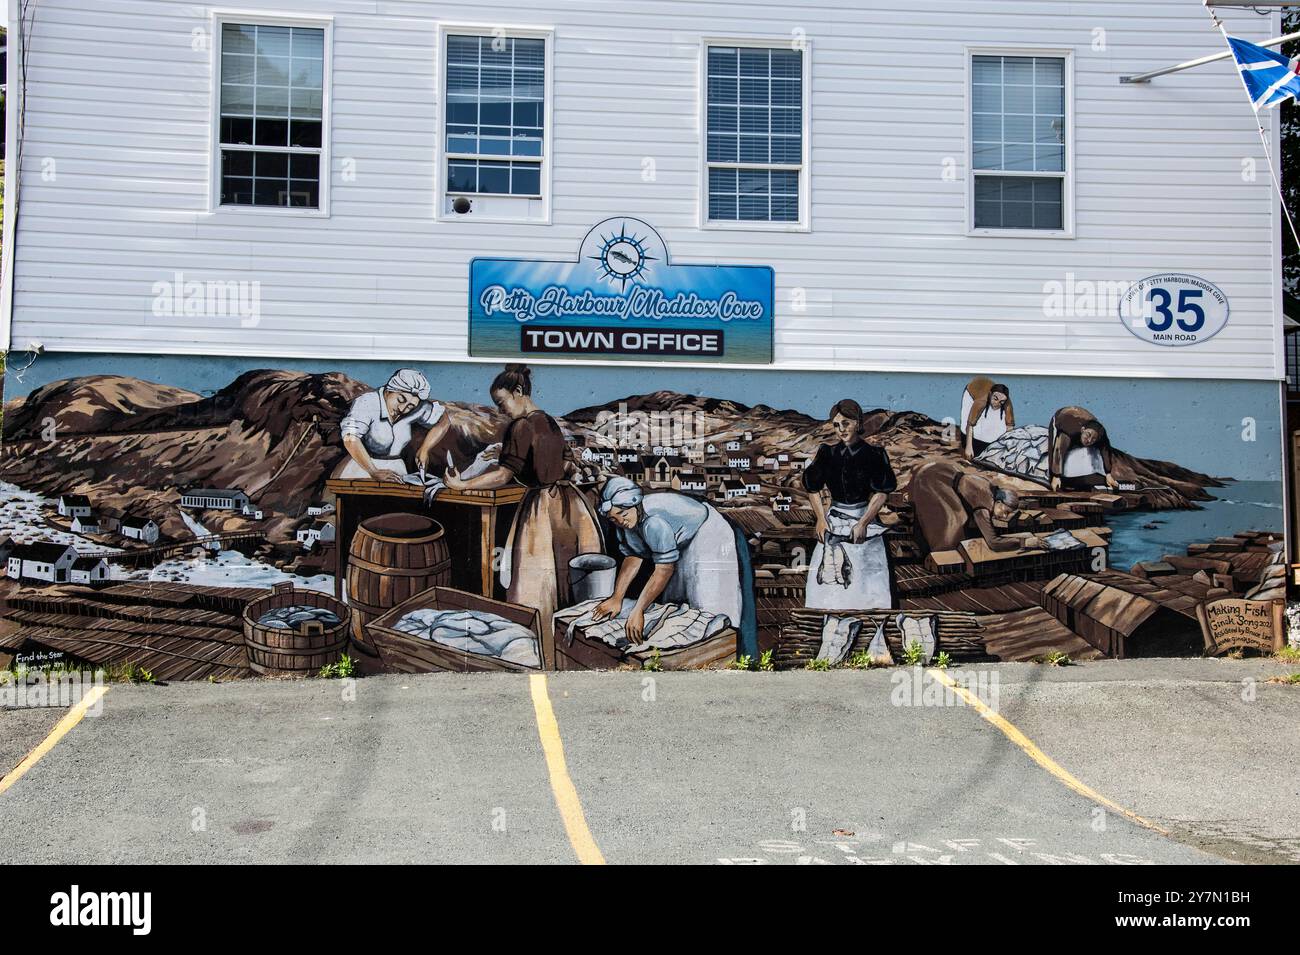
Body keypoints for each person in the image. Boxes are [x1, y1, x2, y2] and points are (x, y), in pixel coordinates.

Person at [443, 365, 602, 646]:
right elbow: (566, 462)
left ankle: (534, 642)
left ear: (518, 392)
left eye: (502, 403)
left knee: (536, 581)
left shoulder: (521, 426)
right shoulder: (549, 421)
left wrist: (461, 485)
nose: (501, 410)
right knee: (564, 577)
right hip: (569, 506)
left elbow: (503, 474)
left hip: (540, 508)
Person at [592, 477, 757, 658]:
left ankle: (721, 656)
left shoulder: (653, 522)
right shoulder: (628, 522)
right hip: (681, 539)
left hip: (708, 535)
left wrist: (638, 610)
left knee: (709, 609)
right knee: (677, 606)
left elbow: (664, 569)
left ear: (634, 504)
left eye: (623, 514)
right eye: (614, 519)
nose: (620, 521)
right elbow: (633, 557)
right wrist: (617, 598)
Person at [802, 398, 897, 610]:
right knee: (829, 582)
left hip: (864, 520)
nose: (841, 429)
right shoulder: (828, 453)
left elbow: (882, 492)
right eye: (836, 425)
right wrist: (820, 518)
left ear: (858, 422)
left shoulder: (874, 454)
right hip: (833, 522)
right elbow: (812, 488)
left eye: (846, 423)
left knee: (868, 583)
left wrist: (863, 523)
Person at [910, 458, 1045, 555]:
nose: (1004, 516)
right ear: (998, 502)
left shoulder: (991, 489)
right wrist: (1025, 542)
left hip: (942, 471)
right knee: (954, 525)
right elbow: (994, 543)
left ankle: (921, 548)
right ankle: (938, 555)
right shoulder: (984, 507)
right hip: (933, 479)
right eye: (1005, 511)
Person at [338, 369, 450, 482]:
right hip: (363, 469)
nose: (403, 409)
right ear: (389, 390)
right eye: (401, 399)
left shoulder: (417, 408)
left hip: (397, 471)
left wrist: (425, 449)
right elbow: (350, 437)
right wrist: (373, 471)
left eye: (410, 406)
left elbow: (443, 420)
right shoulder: (368, 402)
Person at [1049, 406, 1118, 491]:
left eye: (1093, 439)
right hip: (1063, 418)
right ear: (1082, 430)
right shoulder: (1069, 429)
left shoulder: (1101, 435)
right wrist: (1056, 476)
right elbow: (1058, 450)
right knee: (1055, 447)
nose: (1089, 441)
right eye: (1088, 435)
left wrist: (1108, 474)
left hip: (1084, 421)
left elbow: (1105, 451)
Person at [962, 380, 1014, 458]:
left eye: (1001, 402)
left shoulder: (1006, 403)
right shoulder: (981, 401)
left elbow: (1010, 427)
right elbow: (970, 424)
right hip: (972, 389)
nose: (997, 403)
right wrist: (968, 447)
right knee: (967, 425)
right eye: (995, 399)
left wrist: (1008, 449)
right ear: (990, 394)